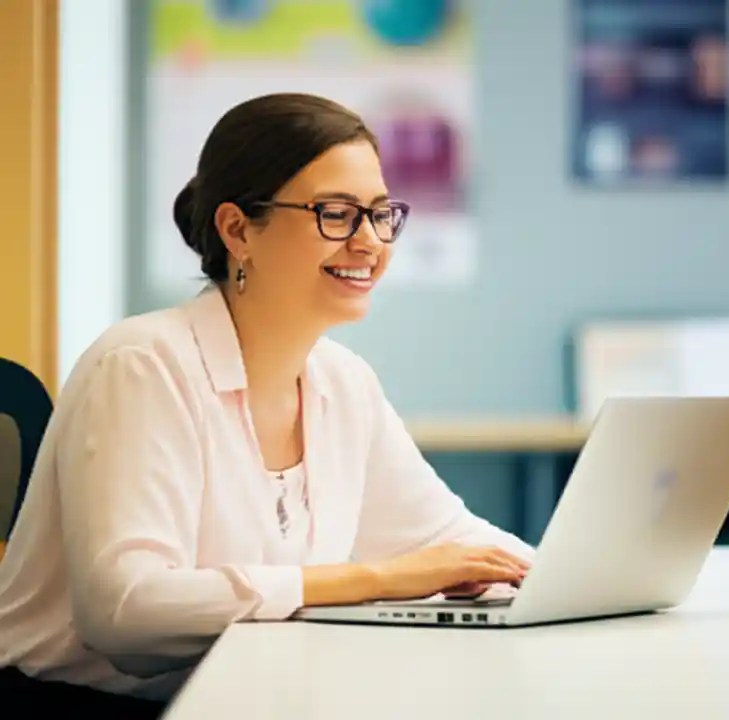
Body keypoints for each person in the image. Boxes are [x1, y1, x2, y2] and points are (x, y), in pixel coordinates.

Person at [0, 93, 532, 716]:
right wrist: (380, 579)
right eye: (336, 213)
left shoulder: (343, 382)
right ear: (236, 230)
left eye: (381, 214)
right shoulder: (143, 365)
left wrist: (575, 581)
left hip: (249, 697)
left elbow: (448, 539)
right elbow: (126, 613)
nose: (369, 242)